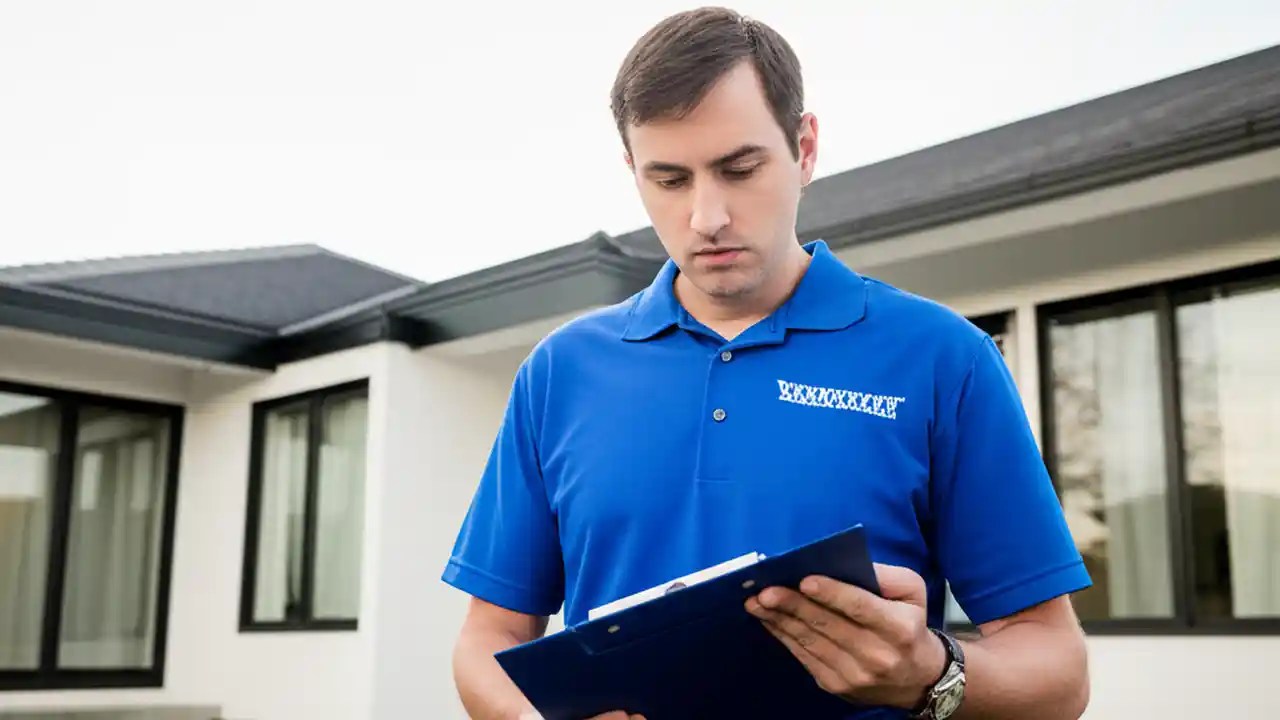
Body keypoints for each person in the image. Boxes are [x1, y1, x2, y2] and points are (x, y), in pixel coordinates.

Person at [443, 7, 1092, 720]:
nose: (707, 217)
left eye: (739, 168)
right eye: (669, 179)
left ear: (804, 148)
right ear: (633, 171)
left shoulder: (943, 359)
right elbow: (488, 638)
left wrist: (931, 674)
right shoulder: (560, 373)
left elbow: (1058, 675)